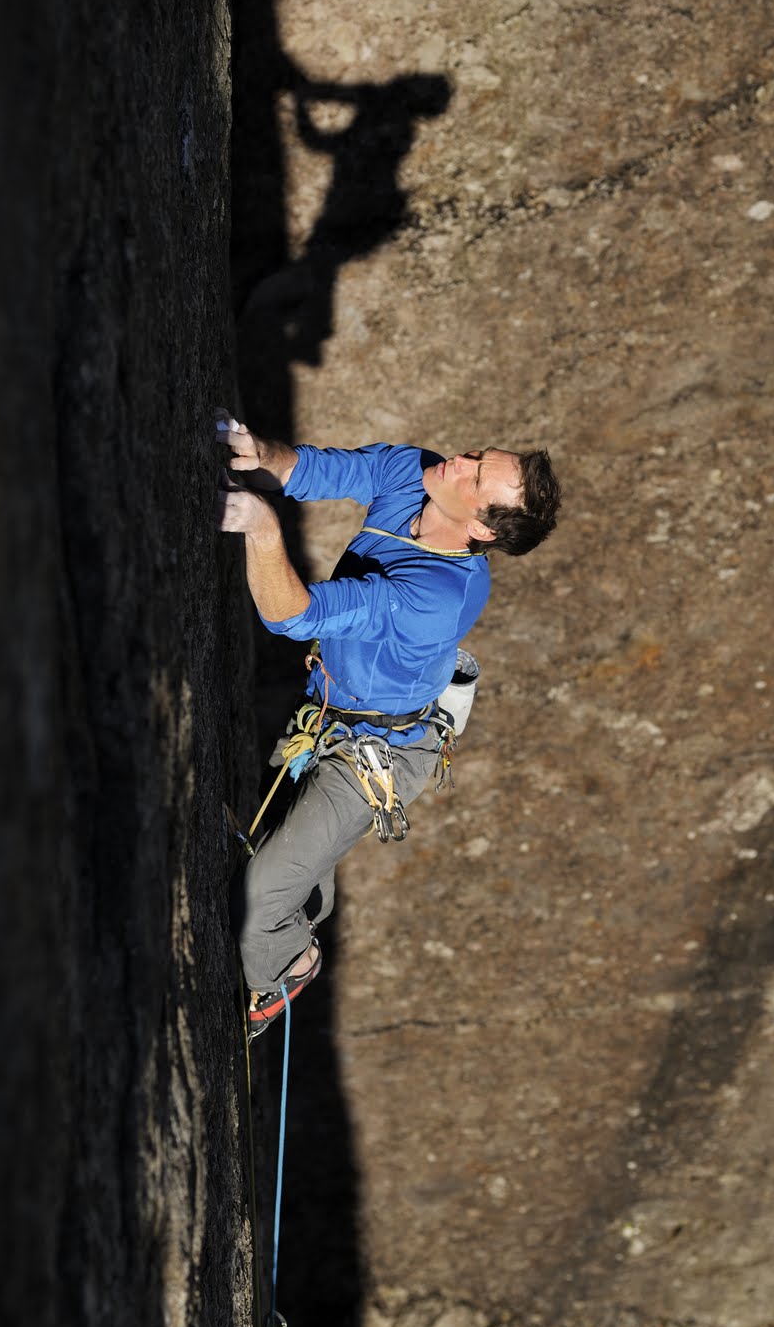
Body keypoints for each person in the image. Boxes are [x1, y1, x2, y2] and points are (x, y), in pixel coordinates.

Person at [217, 416, 561, 1036]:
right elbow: (308, 469)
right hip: (331, 712)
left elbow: (293, 615)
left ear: (481, 528)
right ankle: (306, 902)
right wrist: (253, 453)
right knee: (277, 846)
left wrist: (262, 529)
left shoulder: (438, 594)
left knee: (260, 896)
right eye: (477, 452)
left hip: (376, 755)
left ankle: (286, 966)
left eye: (475, 473)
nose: (460, 458)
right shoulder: (417, 473)